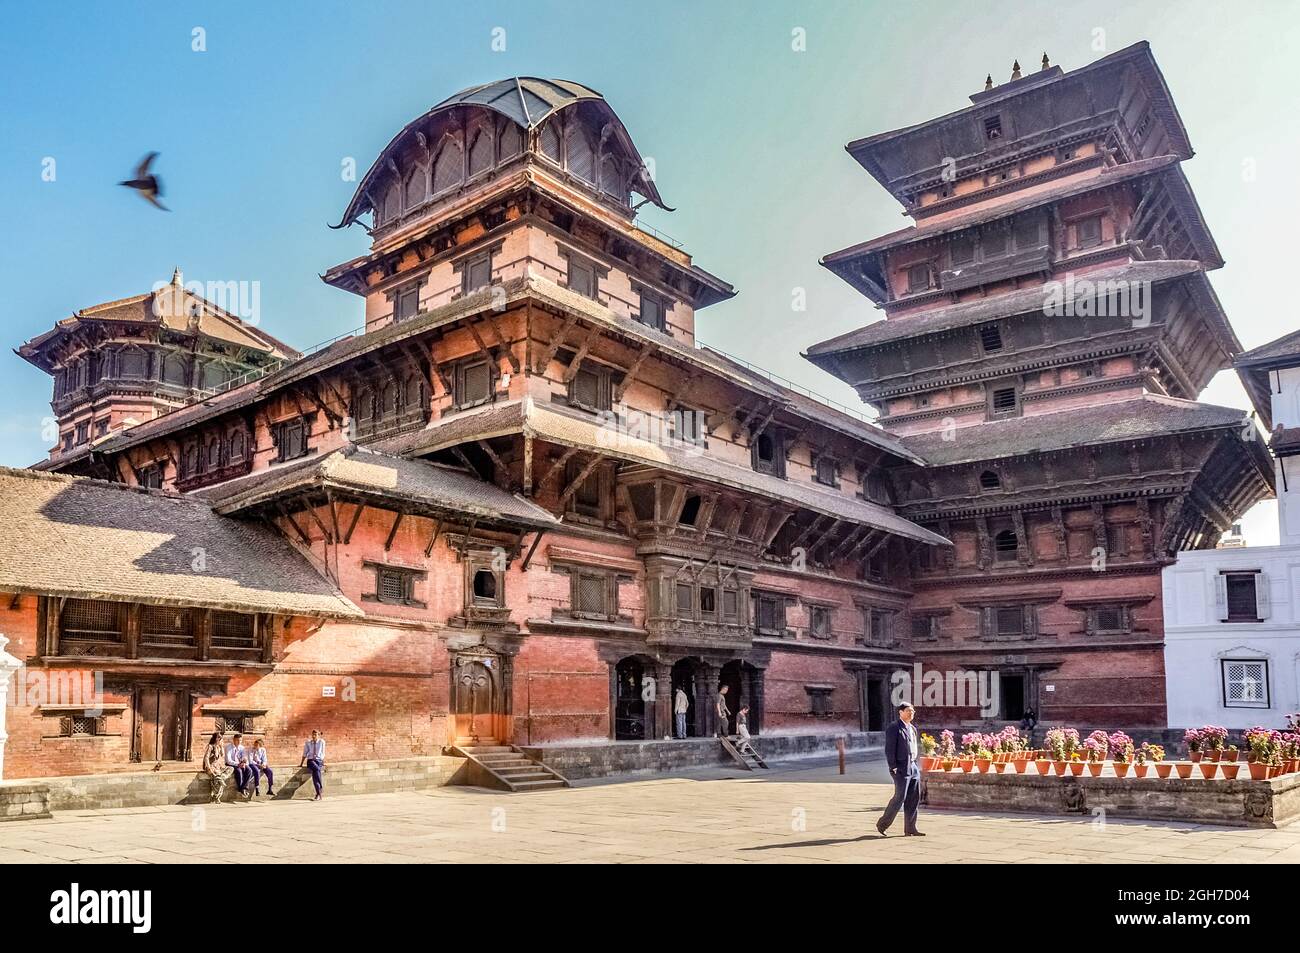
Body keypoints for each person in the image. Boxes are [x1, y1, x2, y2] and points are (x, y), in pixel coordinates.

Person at [877, 703, 924, 837]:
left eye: (913, 711)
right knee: (900, 797)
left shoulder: (913, 728)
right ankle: (882, 824)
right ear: (901, 712)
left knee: (914, 798)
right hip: (901, 767)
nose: (911, 713)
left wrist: (915, 764)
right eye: (908, 711)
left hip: (913, 766)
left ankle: (910, 828)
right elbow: (889, 749)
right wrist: (893, 766)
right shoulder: (894, 727)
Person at [202, 731, 232, 803]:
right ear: (216, 739)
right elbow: (206, 758)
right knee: (217, 779)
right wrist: (209, 767)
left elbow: (222, 755)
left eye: (221, 739)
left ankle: (221, 778)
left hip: (218, 767)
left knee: (231, 768)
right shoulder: (210, 746)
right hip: (211, 767)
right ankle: (216, 797)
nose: (220, 740)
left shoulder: (219, 747)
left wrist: (221, 746)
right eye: (219, 738)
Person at [224, 732, 253, 801]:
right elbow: (228, 760)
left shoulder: (242, 748)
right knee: (239, 771)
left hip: (240, 763)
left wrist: (244, 762)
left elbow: (244, 757)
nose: (239, 742)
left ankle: (244, 787)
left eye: (240, 740)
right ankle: (240, 788)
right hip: (231, 764)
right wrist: (238, 764)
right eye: (237, 740)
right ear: (234, 740)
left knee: (249, 770)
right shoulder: (228, 747)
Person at [300, 729, 326, 800]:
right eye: (313, 734)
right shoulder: (308, 743)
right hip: (311, 761)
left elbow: (323, 753)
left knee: (315, 775)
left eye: (315, 735)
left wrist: (323, 762)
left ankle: (318, 794)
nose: (314, 736)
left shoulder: (322, 742)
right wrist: (301, 763)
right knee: (317, 769)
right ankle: (321, 787)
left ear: (318, 735)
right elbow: (305, 753)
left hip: (319, 761)